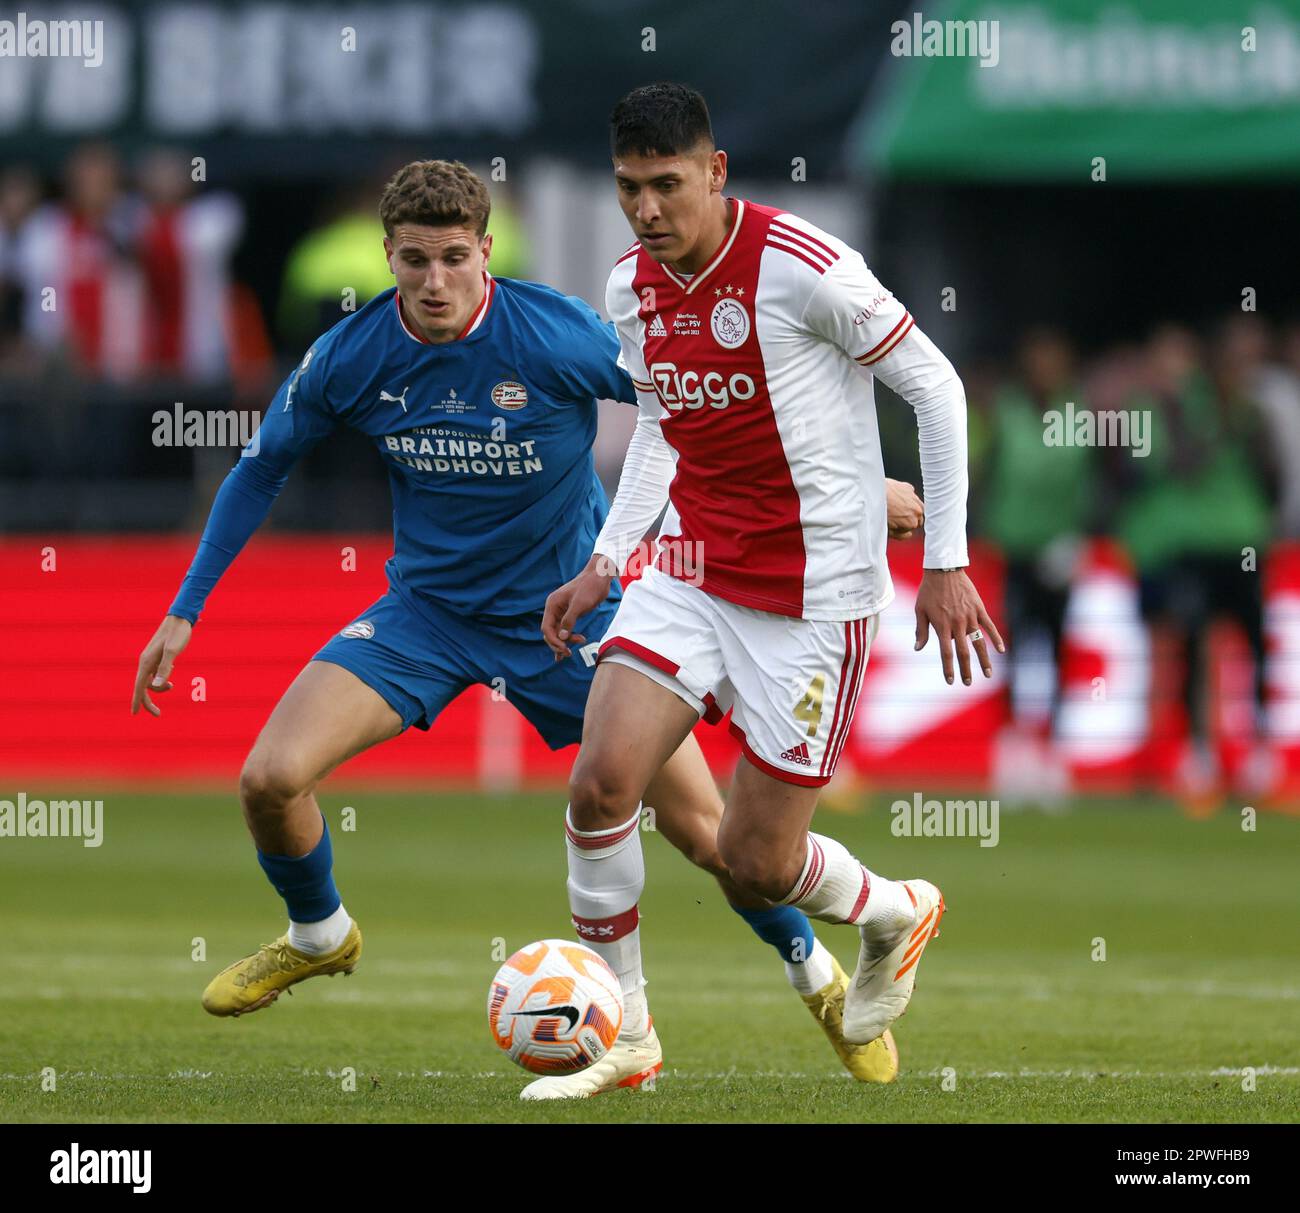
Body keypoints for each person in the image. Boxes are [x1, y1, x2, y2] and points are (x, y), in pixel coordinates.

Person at [130, 159, 924, 1087]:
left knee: (713, 841)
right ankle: (320, 932)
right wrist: (184, 611)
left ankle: (820, 979)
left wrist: (858, 491)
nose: (434, 283)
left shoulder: (553, 335)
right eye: (415, 261)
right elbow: (261, 466)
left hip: (568, 619)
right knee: (268, 778)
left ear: (487, 252)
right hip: (425, 616)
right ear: (386, 256)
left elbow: (704, 409)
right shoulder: (352, 354)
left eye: (454, 259)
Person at [537, 83, 1003, 1099]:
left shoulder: (803, 269)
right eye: (628, 190)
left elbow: (935, 385)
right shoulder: (631, 287)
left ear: (714, 173)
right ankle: (626, 1035)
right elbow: (664, 428)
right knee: (602, 783)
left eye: (666, 185)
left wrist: (947, 561)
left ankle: (891, 909)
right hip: (690, 574)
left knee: (752, 861)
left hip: (813, 600)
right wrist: (610, 559)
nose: (648, 209)